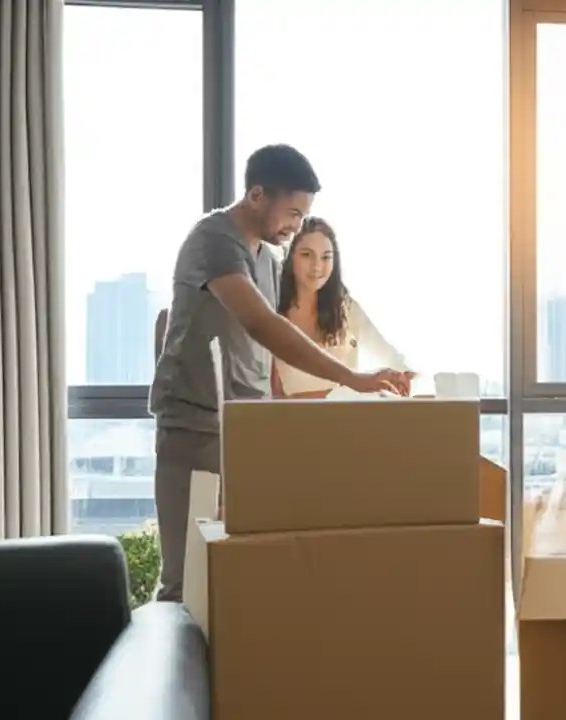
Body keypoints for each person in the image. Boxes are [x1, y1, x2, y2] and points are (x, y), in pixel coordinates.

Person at [148, 144, 409, 602]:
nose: (296, 224)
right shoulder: (215, 240)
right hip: (196, 426)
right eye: (292, 213)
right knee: (185, 575)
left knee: (239, 571)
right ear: (256, 196)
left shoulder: (268, 259)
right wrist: (352, 378)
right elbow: (261, 324)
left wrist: (277, 416)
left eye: (302, 214)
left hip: (245, 430)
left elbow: (261, 351)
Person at [271, 217, 413, 398]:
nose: (317, 266)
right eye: (306, 255)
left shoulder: (346, 310)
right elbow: (274, 399)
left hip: (347, 414)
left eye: (326, 257)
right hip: (292, 416)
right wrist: (347, 390)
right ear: (290, 258)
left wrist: (403, 377)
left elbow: (391, 358)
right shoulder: (271, 313)